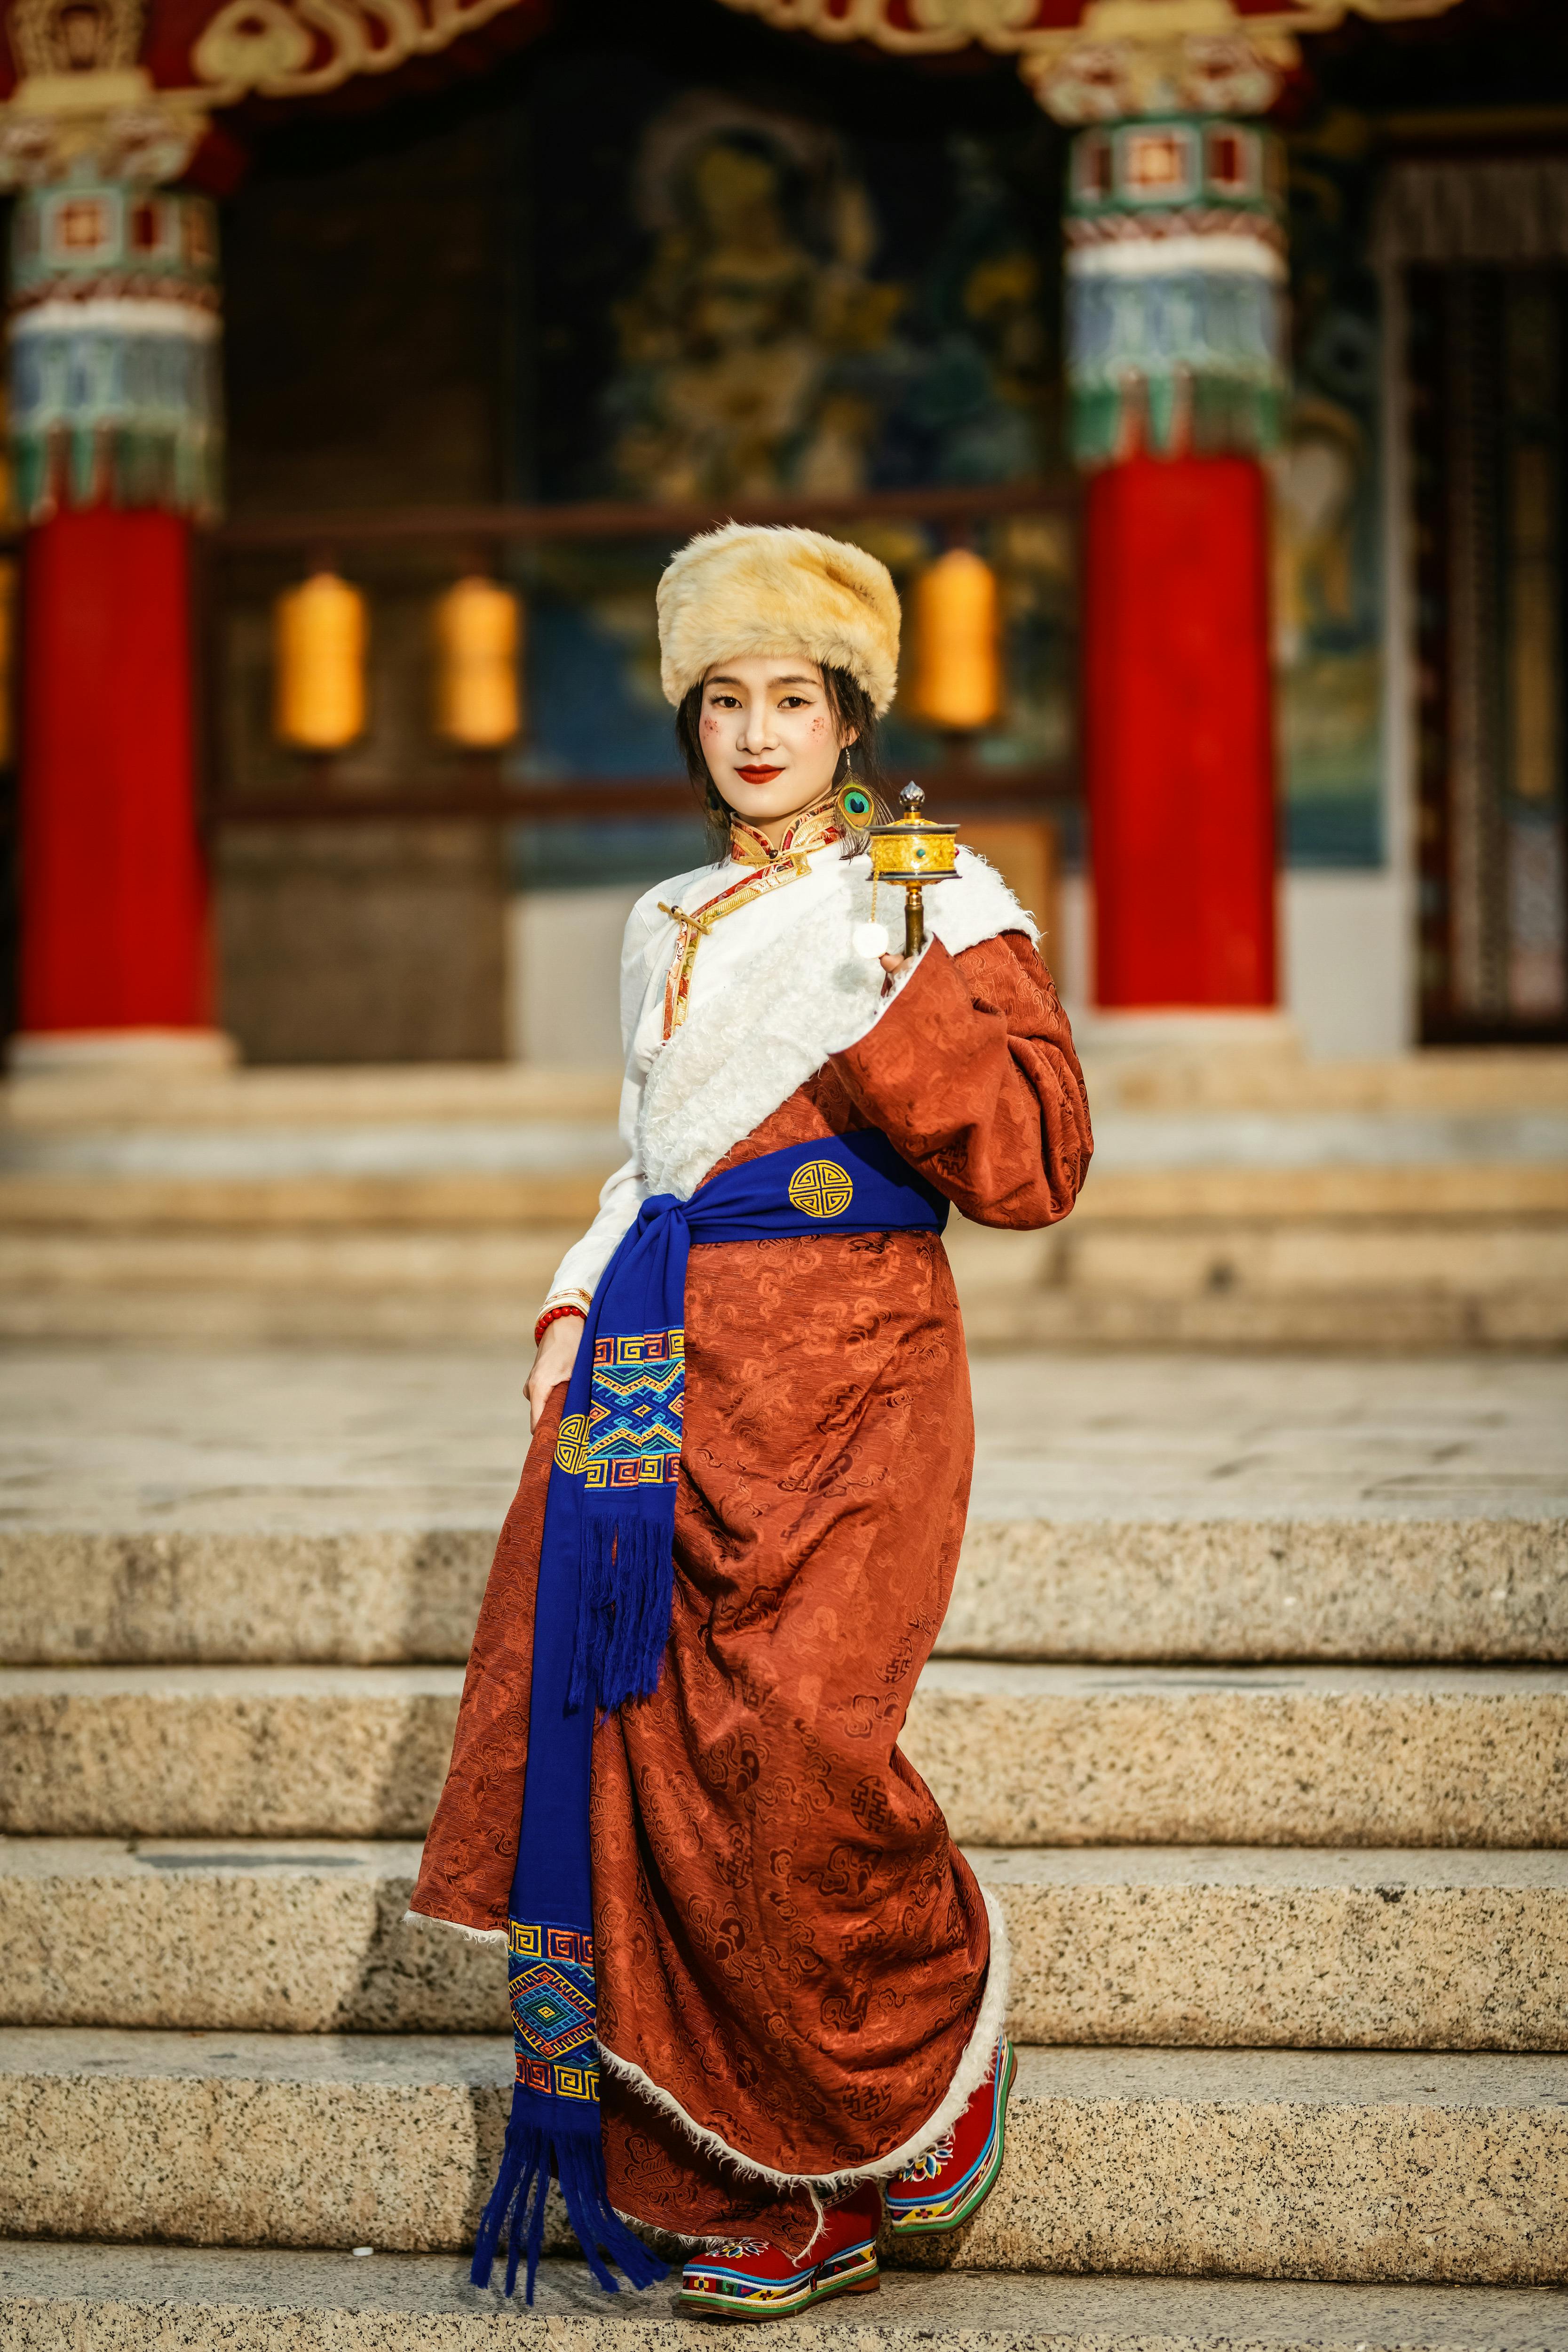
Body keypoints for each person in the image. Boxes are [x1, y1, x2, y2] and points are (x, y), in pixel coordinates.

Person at [409, 522, 1092, 2319]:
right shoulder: (664, 925)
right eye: (727, 700)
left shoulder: (938, 899)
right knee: (652, 1775)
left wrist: (890, 1002)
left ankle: (914, 2059)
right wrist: (571, 1295)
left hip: (861, 1369)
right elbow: (656, 1163)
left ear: (852, 715)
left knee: (801, 1749)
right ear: (692, 724)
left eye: (795, 696)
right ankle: (757, 2180)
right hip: (662, 1372)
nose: (761, 730)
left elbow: (1036, 1163)